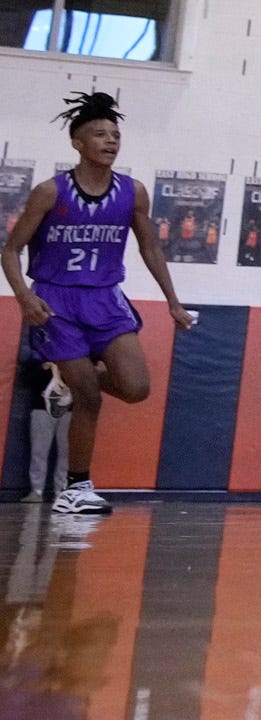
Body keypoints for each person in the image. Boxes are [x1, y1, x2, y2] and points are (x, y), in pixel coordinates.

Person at [3, 91, 199, 517]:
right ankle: (76, 488)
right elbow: (10, 250)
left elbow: (150, 249)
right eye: (100, 134)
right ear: (77, 142)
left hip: (107, 299)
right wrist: (24, 297)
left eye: (115, 134)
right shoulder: (49, 192)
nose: (110, 141)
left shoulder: (134, 193)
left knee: (135, 388)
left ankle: (65, 383)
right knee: (89, 397)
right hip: (56, 300)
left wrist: (173, 302)